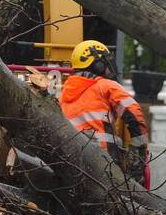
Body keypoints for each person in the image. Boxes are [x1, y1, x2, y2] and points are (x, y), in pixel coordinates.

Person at [59, 40, 150, 187]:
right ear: (98, 65)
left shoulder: (64, 92)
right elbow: (134, 116)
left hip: (70, 164)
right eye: (105, 63)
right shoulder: (105, 86)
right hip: (102, 165)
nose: (109, 68)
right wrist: (138, 157)